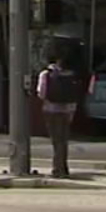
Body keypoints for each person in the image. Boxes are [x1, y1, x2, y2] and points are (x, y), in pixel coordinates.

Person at [36, 49, 79, 179]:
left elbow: (41, 93)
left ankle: (57, 169)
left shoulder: (45, 74)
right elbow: (74, 94)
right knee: (63, 141)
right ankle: (64, 168)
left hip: (50, 110)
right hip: (66, 111)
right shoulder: (70, 74)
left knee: (56, 141)